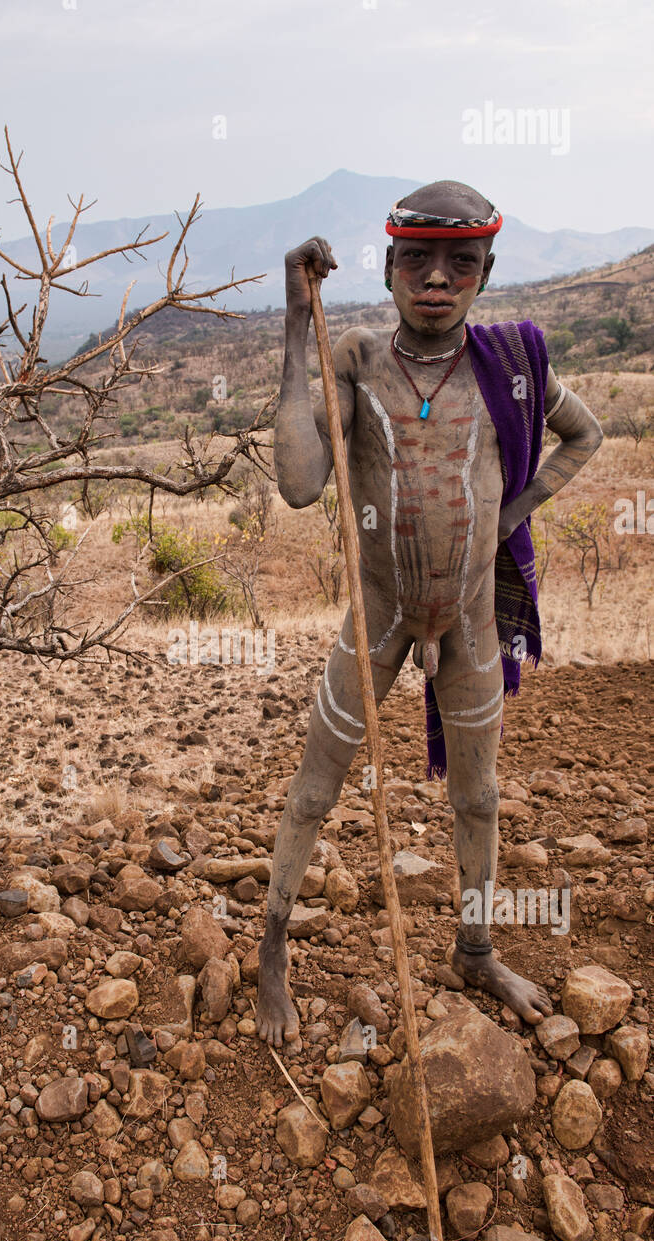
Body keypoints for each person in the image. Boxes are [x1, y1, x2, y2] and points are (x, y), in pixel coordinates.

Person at [256, 180, 603, 1047]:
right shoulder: (358, 358)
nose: (437, 278)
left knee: (479, 797)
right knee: (311, 790)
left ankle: (475, 948)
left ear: (486, 272)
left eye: (461, 262)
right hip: (377, 618)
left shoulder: (510, 371)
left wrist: (509, 518)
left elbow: (585, 435)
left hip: (471, 622)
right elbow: (300, 483)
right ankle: (270, 947)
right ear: (385, 267)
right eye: (416, 259)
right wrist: (300, 323)